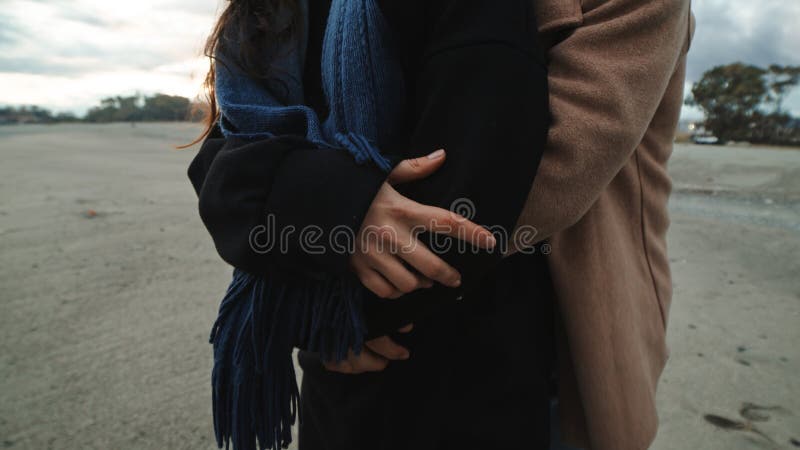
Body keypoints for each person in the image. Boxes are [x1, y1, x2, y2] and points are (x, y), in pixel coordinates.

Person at [188, 0, 550, 449]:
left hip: (466, 378)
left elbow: (463, 212)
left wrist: (322, 311)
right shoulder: (265, 12)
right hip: (337, 384)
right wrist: (339, 208)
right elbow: (219, 172)